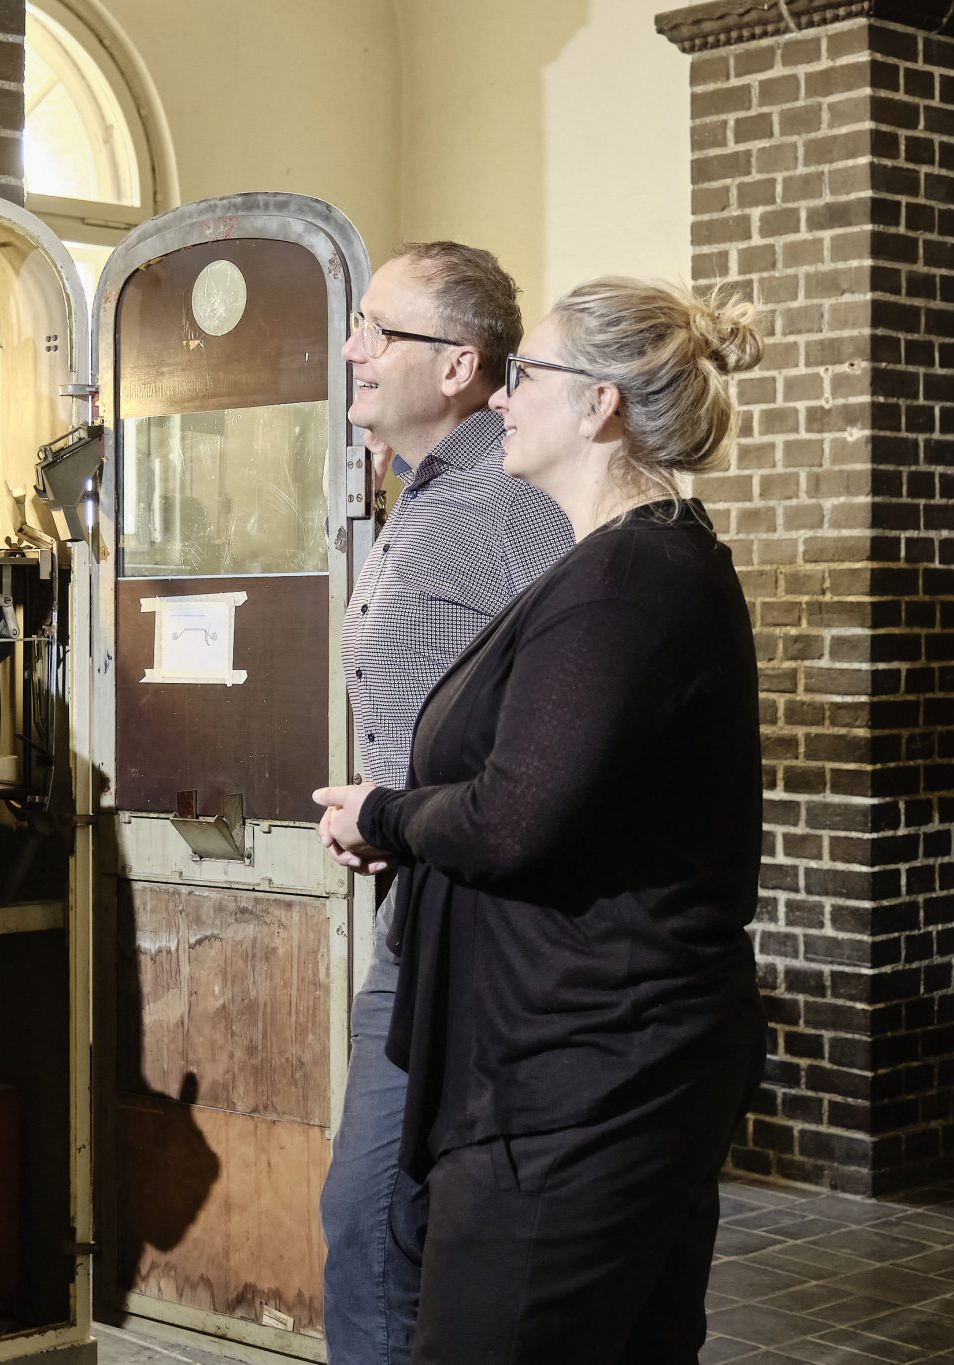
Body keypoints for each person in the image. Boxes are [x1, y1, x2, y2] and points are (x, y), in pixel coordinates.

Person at [314, 277, 767, 1364]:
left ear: (597, 405)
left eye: (526, 379)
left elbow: (515, 815)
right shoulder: (615, 562)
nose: (505, 403)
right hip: (571, 1047)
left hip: (586, 1064)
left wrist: (386, 809)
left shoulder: (627, 579)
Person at [321, 242, 573, 1365]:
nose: (351, 349)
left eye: (379, 330)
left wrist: (410, 812)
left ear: (460, 365)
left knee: (390, 1219)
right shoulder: (423, 489)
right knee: (380, 1217)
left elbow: (571, 705)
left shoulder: (509, 502)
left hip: (487, 920)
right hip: (419, 892)